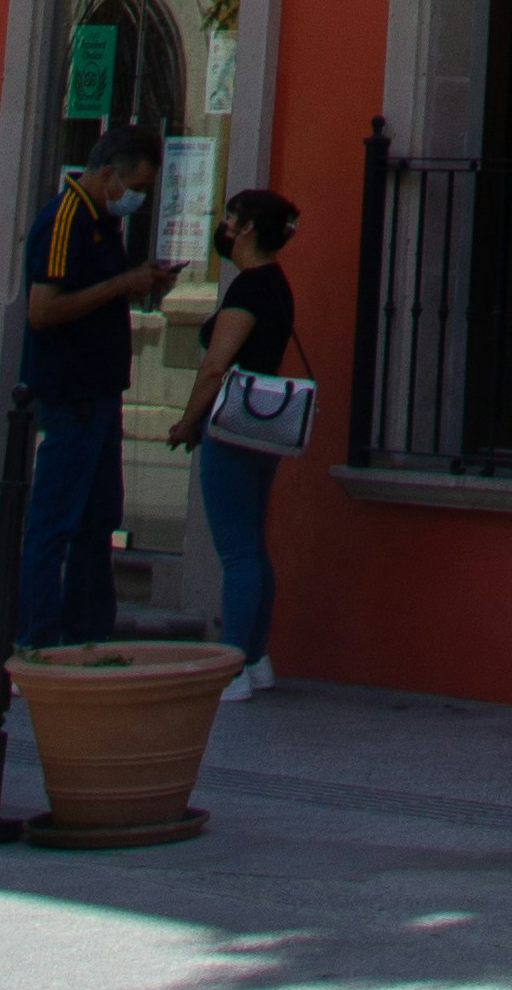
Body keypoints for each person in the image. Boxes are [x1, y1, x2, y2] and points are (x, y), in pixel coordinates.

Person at [17, 123, 180, 649]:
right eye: (135, 187)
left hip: (102, 393)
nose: (136, 199)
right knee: (54, 524)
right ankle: (37, 641)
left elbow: (96, 296)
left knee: (98, 520)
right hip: (73, 395)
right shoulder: (65, 219)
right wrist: (122, 285)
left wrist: (139, 283)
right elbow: (42, 311)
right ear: (109, 174)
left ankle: (85, 634)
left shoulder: (102, 223)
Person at [172, 185, 301, 697]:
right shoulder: (277, 284)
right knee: (251, 547)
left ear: (246, 229)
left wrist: (186, 422)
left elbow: (214, 366)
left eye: (229, 219)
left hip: (230, 427)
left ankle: (235, 667)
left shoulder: (248, 289)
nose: (223, 227)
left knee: (237, 552)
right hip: (262, 428)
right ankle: (256, 658)